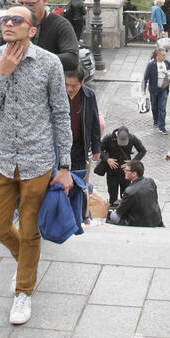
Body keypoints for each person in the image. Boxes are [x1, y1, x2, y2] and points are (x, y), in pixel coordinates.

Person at [0, 5, 74, 326]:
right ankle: (26, 265)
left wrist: (65, 165)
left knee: (31, 230)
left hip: (38, 161)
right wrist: (3, 74)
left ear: (32, 30)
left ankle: (23, 292)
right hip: (3, 159)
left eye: (15, 20)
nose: (7, 24)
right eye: (4, 19)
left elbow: (61, 113)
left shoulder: (50, 63)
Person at [60, 54, 102, 219]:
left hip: (79, 145)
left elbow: (94, 122)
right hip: (60, 146)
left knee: (78, 182)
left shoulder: (88, 96)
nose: (70, 89)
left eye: (74, 86)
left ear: (82, 82)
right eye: (67, 85)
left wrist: (96, 147)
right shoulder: (58, 93)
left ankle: (77, 215)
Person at [15, 0, 80, 60]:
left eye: (30, 4)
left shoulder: (60, 25)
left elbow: (72, 58)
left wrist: (33, 59)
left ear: (45, 1)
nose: (24, 8)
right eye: (20, 3)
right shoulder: (13, 23)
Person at [97, 127, 147, 206]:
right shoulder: (109, 138)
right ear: (117, 135)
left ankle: (124, 215)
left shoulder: (132, 138)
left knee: (126, 197)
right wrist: (107, 159)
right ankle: (112, 214)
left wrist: (133, 162)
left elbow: (142, 150)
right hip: (112, 172)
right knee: (112, 197)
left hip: (126, 173)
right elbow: (99, 148)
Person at [109, 161, 164, 227]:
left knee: (112, 215)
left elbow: (119, 212)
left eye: (126, 170)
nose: (124, 171)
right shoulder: (150, 181)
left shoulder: (129, 191)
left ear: (134, 174)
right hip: (156, 220)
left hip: (138, 223)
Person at [141, 47, 170, 134]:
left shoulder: (167, 63)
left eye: (165, 55)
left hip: (164, 89)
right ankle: (156, 119)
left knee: (162, 107)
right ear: (158, 56)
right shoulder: (151, 64)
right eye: (163, 55)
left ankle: (162, 126)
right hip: (154, 89)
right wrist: (143, 89)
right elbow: (145, 78)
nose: (164, 57)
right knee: (154, 106)